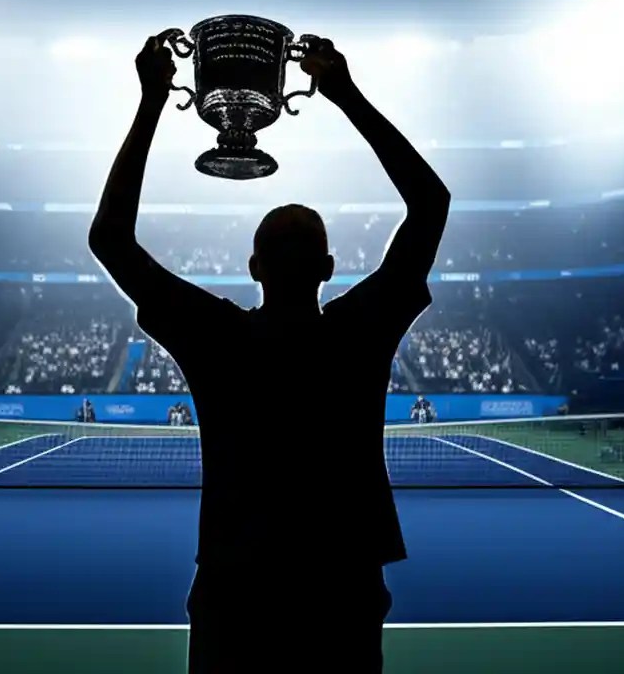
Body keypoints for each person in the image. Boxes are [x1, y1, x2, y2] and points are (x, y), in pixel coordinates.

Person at [89, 33, 451, 673]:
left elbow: (111, 239)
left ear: (253, 266)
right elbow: (430, 203)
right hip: (341, 591)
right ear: (330, 267)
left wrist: (150, 102)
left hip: (237, 591)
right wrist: (343, 92)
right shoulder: (359, 330)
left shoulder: (218, 339)